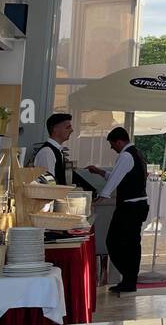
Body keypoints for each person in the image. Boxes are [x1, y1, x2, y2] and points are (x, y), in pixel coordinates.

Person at [87, 128, 149, 295]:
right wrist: (100, 172)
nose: (112, 148)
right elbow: (119, 176)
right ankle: (129, 279)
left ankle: (129, 278)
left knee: (114, 242)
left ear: (119, 142)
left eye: (112, 144)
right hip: (138, 205)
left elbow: (115, 178)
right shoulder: (136, 153)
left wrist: (101, 197)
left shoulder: (126, 155)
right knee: (131, 244)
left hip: (130, 207)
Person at [31, 112, 97, 193]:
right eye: (68, 127)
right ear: (55, 129)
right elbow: (48, 184)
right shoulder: (47, 152)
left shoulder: (56, 151)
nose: (71, 130)